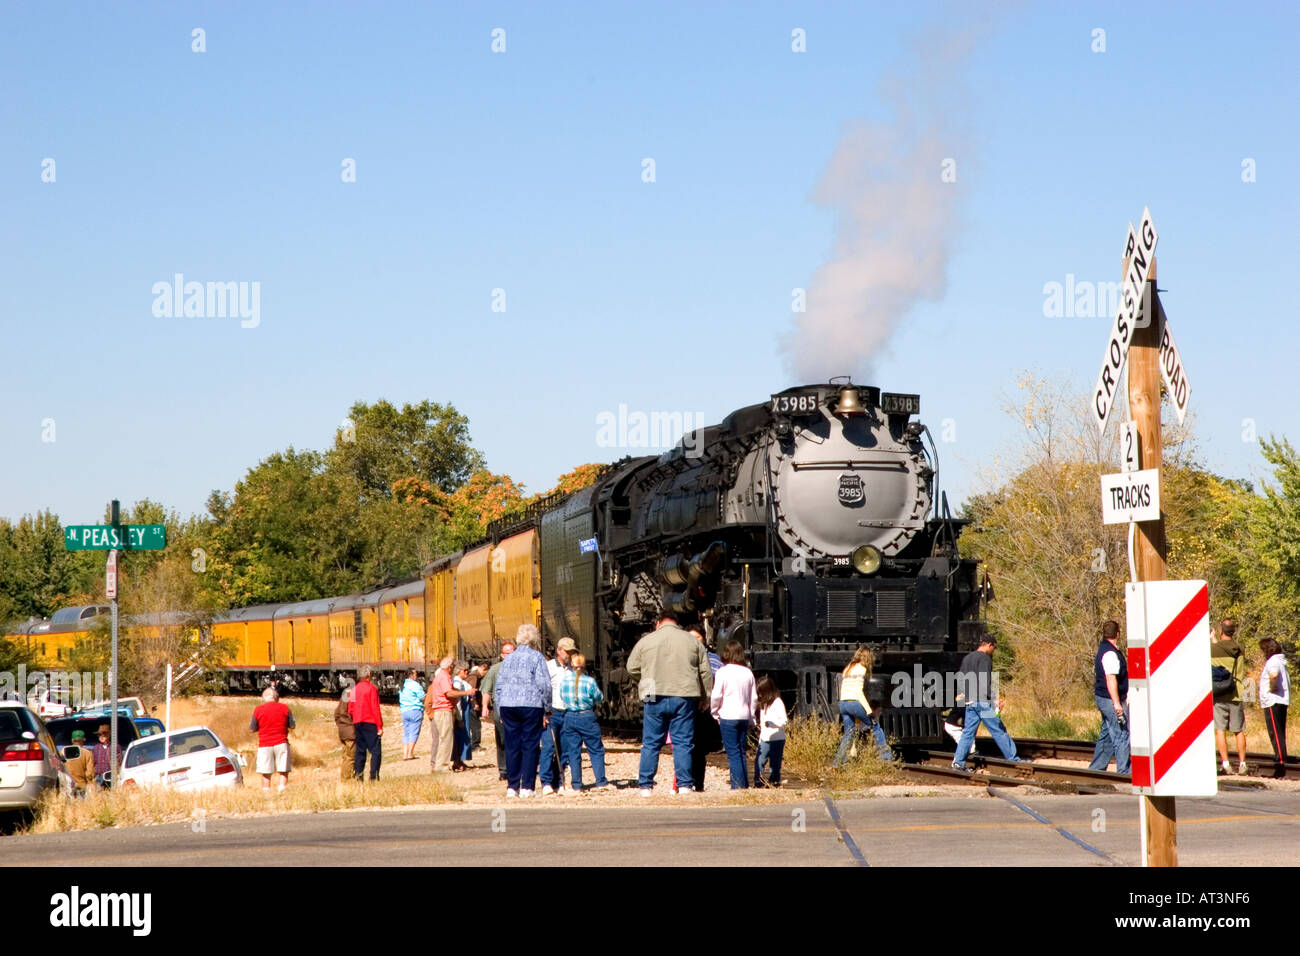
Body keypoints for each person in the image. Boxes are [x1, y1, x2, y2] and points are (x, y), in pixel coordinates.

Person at [627, 611, 714, 795]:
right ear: (677, 623)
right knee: (683, 742)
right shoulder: (692, 641)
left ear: (658, 623)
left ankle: (645, 786)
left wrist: (646, 678)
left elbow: (631, 667)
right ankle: (684, 785)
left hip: (652, 693)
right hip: (683, 694)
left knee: (650, 742)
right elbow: (705, 672)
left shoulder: (646, 640)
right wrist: (705, 697)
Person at [493, 624, 553, 797]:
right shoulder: (537, 658)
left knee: (511, 746)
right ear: (534, 639)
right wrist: (547, 708)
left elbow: (499, 686)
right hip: (531, 705)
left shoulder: (508, 659)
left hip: (508, 706)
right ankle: (527, 787)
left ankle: (512, 787)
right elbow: (544, 685)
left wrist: (499, 710)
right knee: (530, 745)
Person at [950, 636, 1019, 770]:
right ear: (988, 644)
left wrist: (962, 694)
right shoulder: (985, 659)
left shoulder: (967, 658)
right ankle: (1014, 759)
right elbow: (985, 680)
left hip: (970, 701)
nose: (993, 650)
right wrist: (994, 699)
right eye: (993, 647)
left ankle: (958, 762)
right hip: (982, 702)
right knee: (998, 730)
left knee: (968, 733)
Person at [834, 648, 892, 768]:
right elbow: (858, 692)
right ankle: (886, 757)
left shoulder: (848, 667)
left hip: (843, 703)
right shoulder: (861, 669)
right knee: (875, 727)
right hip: (854, 703)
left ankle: (838, 762)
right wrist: (868, 709)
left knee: (849, 732)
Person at [559, 653, 610, 791]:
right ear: (584, 665)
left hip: (569, 717)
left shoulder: (564, 681)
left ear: (572, 665)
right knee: (596, 750)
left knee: (573, 752)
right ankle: (600, 782)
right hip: (587, 716)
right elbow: (599, 697)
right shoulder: (589, 681)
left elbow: (561, 696)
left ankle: (576, 784)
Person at [710, 640, 757, 789]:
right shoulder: (747, 672)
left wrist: (714, 711)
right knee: (741, 751)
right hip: (744, 716)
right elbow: (754, 698)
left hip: (728, 715)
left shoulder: (722, 672)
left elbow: (716, 695)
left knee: (733, 753)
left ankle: (737, 786)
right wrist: (751, 717)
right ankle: (744, 784)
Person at [1087, 621, 1130, 775]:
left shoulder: (1104, 649)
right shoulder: (1110, 653)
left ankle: (1096, 770)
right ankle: (1124, 771)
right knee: (1121, 733)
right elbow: (1111, 679)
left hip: (1102, 697)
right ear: (1117, 634)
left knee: (1106, 734)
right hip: (1109, 698)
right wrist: (1117, 703)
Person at [1211, 619, 1249, 775]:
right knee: (1238, 730)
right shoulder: (1239, 649)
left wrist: (1212, 639)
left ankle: (1226, 764)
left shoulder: (1212, 649)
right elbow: (1227, 650)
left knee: (1220, 730)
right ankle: (1242, 764)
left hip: (1219, 694)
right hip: (1236, 693)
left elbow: (1218, 651)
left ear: (1221, 631)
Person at [688, 627, 722, 792]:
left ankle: (697, 783)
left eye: (698, 637)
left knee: (699, 748)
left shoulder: (713, 659)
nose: (695, 641)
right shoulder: (681, 659)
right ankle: (685, 782)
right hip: (687, 706)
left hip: (703, 707)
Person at [540, 637, 576, 795]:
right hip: (551, 712)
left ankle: (560, 781)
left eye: (571, 652)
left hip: (567, 712)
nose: (569, 655)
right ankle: (546, 782)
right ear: (559, 651)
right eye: (567, 652)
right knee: (548, 747)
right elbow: (541, 690)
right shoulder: (548, 667)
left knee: (564, 749)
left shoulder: (572, 669)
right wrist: (542, 712)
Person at [480, 643, 515, 781]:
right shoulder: (495, 670)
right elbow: (486, 690)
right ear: (502, 655)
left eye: (512, 652)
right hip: (500, 709)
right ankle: (504, 770)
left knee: (516, 739)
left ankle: (515, 767)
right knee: (502, 740)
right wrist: (484, 706)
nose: (509, 655)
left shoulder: (521, 669)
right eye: (507, 653)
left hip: (518, 708)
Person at [251, 685, 296, 791]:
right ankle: (282, 789)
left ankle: (266, 790)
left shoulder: (258, 710)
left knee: (266, 771)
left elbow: (252, 728)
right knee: (283, 768)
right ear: (276, 697)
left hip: (264, 744)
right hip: (281, 742)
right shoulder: (285, 708)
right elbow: (292, 725)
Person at [1258, 637, 1290, 779]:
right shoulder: (1281, 660)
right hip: (1281, 700)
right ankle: (1282, 759)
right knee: (1280, 731)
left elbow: (1274, 675)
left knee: (1275, 732)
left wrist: (1271, 688)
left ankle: (1280, 762)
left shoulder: (1273, 661)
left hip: (1272, 700)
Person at [349, 664, 383, 780]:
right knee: (376, 750)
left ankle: (358, 775)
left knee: (360, 750)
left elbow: (350, 708)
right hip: (370, 722)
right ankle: (374, 776)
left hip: (357, 722)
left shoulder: (353, 690)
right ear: (369, 675)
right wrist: (379, 726)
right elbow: (375, 708)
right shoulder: (372, 689)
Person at [753, 675, 787, 787]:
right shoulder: (764, 704)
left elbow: (783, 720)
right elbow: (763, 726)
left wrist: (773, 724)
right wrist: (760, 739)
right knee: (759, 761)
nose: (759, 695)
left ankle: (774, 781)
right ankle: (758, 781)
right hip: (765, 738)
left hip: (777, 738)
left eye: (761, 692)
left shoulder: (777, 702)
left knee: (775, 763)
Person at [425, 656, 458, 773]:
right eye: (453, 666)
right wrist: (465, 693)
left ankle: (439, 765)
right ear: (449, 667)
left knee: (443, 739)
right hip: (442, 712)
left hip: (441, 712)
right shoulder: (443, 678)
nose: (453, 668)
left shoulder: (439, 678)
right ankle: (441, 766)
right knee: (445, 740)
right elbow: (447, 694)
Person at [452, 661, 475, 771]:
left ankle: (460, 760)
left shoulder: (461, 682)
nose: (467, 672)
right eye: (465, 670)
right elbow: (457, 702)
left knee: (464, 737)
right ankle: (457, 761)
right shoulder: (457, 683)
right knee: (460, 737)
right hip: (461, 714)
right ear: (459, 671)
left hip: (464, 712)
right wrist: (459, 718)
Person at [399, 669, 426, 761]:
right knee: (414, 731)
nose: (417, 675)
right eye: (416, 673)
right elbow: (422, 697)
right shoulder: (415, 685)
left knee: (406, 733)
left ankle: (405, 754)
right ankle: (410, 753)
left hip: (404, 711)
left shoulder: (402, 685)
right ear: (411, 675)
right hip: (415, 710)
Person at [335, 678, 356, 782]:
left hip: (342, 731)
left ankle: (344, 778)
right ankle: (347, 780)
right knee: (350, 758)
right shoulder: (351, 695)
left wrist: (340, 725)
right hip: (350, 731)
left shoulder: (343, 697)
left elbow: (336, 714)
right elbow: (353, 713)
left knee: (345, 757)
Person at [65, 729, 97, 794]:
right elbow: (90, 773)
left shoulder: (63, 752)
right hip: (82, 785)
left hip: (67, 785)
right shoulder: (87, 753)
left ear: (72, 740)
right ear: (84, 740)